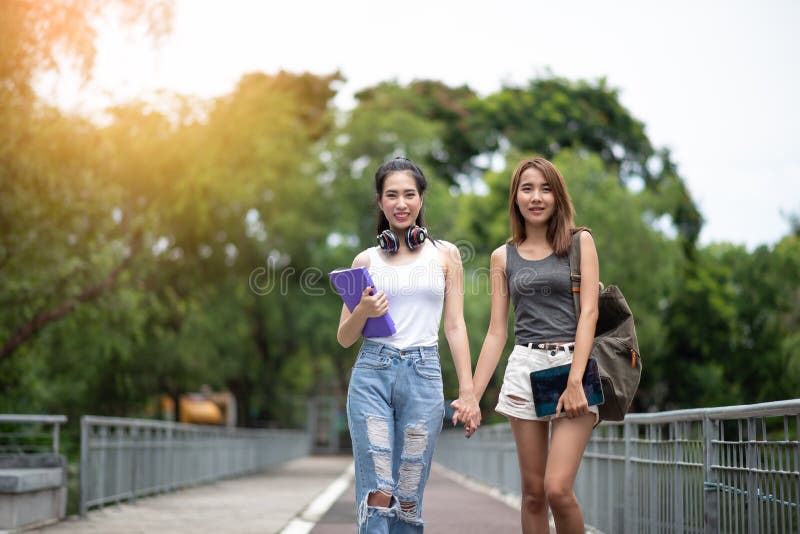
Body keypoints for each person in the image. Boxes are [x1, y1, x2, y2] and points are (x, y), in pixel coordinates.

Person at [336, 156, 481, 533]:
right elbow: (345, 336)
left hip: (424, 375)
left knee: (408, 494)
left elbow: (455, 326)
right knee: (379, 489)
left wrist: (469, 392)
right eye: (392, 195)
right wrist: (364, 310)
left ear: (420, 199)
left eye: (409, 194)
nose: (401, 203)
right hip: (372, 374)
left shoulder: (446, 255)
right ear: (380, 202)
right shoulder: (365, 260)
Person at [469, 156, 600, 534]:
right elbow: (497, 332)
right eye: (527, 188)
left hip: (573, 368)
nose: (536, 197)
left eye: (545, 188)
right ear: (516, 198)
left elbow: (589, 313)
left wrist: (576, 380)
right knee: (532, 494)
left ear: (558, 197)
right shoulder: (502, 257)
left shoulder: (580, 243)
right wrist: (473, 396)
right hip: (525, 368)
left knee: (557, 489)